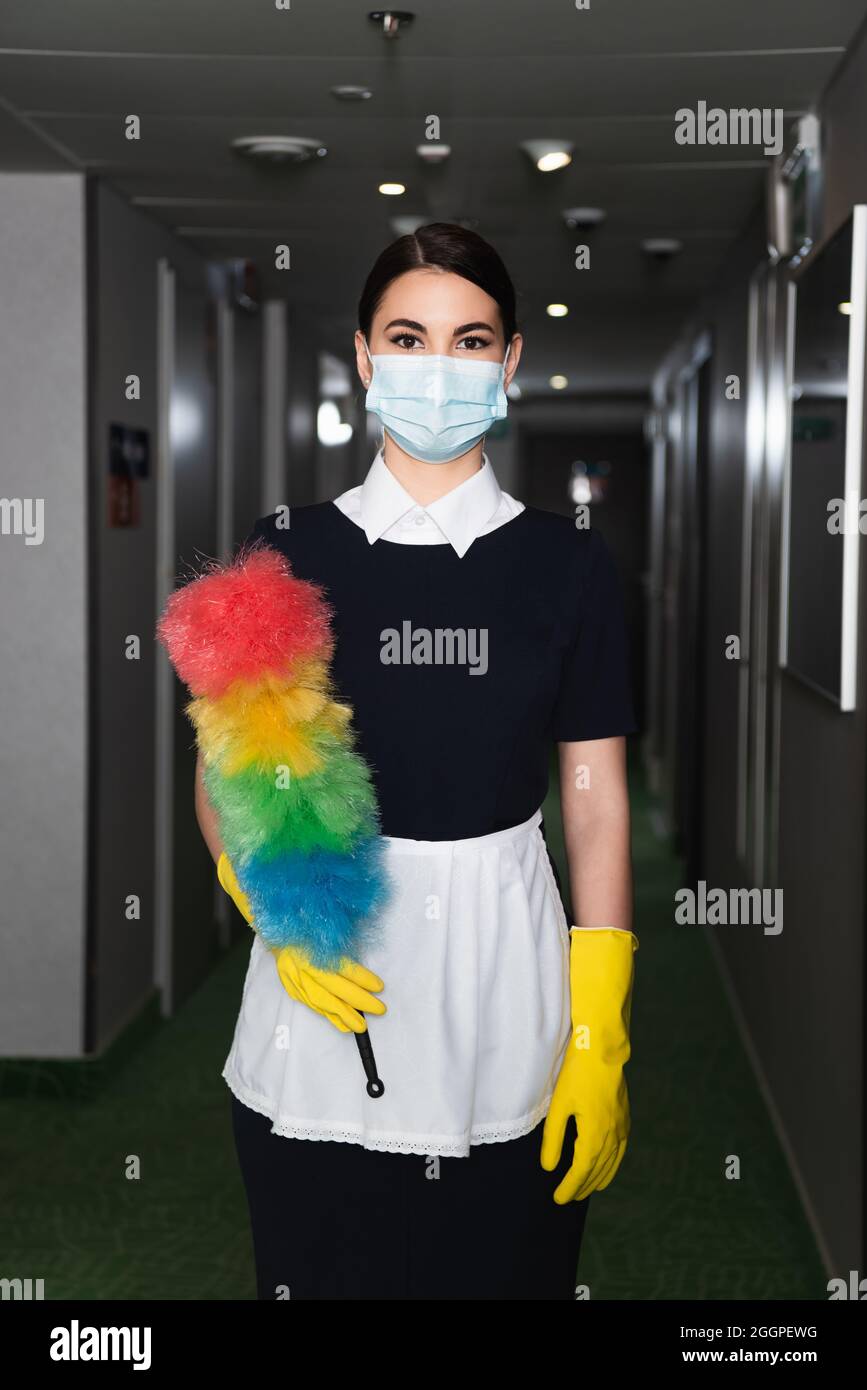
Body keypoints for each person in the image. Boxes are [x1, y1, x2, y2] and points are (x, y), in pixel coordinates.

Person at [194, 222, 639, 1300]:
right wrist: (269, 906)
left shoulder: (568, 568)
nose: (438, 366)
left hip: (506, 985)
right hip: (325, 985)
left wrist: (601, 1026)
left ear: (509, 361)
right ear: (362, 356)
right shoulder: (287, 549)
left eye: (470, 340)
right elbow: (231, 775)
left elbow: (594, 800)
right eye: (409, 336)